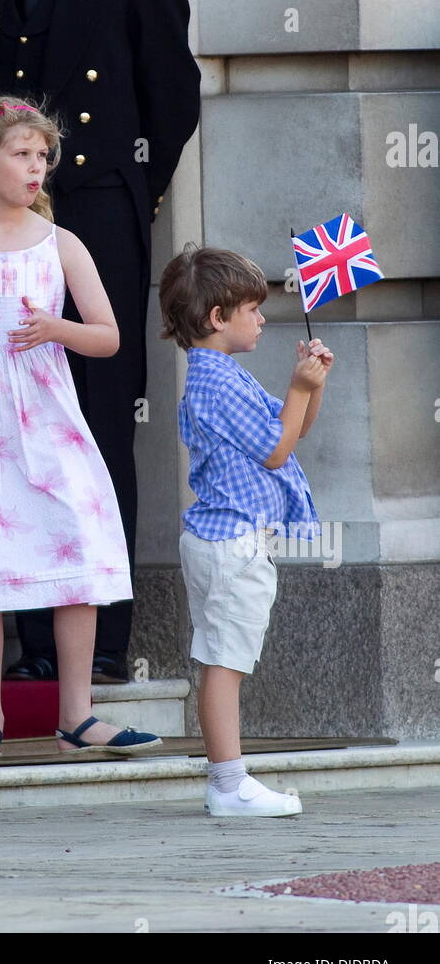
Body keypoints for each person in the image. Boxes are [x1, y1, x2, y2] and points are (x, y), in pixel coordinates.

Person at [0, 0, 201, 683]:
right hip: (0, 234)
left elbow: (172, 101)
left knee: (93, 422)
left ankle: (103, 646)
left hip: (93, 220)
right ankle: (25, 650)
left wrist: (128, 198)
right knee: (3, 423)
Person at [0, 98, 162, 758]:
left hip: (45, 418)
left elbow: (107, 336)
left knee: (75, 536)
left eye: (42, 155)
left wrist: (54, 328)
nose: (35, 167)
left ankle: (78, 712)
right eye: (20, 154)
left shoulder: (60, 243)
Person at [159, 246, 333, 816]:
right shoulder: (215, 382)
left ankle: (228, 782)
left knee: (223, 659)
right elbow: (278, 452)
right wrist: (300, 388)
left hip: (228, 540)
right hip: (232, 543)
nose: (261, 318)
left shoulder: (222, 374)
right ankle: (229, 785)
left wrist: (311, 384)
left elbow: (290, 431)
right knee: (225, 664)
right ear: (216, 318)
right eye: (253, 308)